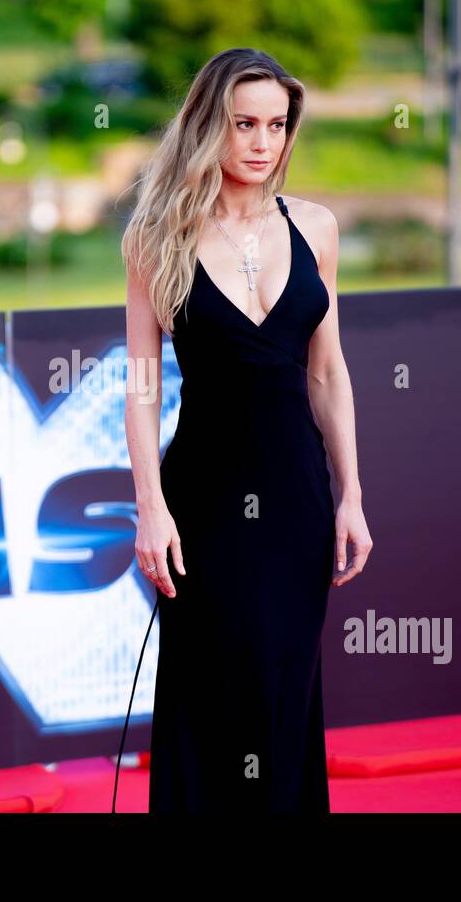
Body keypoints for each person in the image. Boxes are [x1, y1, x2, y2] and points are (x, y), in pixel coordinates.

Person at [122, 48, 372, 812]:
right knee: (212, 690)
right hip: (202, 502)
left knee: (284, 686)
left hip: (296, 499)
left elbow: (326, 373)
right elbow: (140, 386)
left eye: (277, 124)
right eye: (243, 125)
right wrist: (151, 506)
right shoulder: (157, 236)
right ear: (209, 127)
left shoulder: (316, 230)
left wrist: (352, 494)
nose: (263, 143)